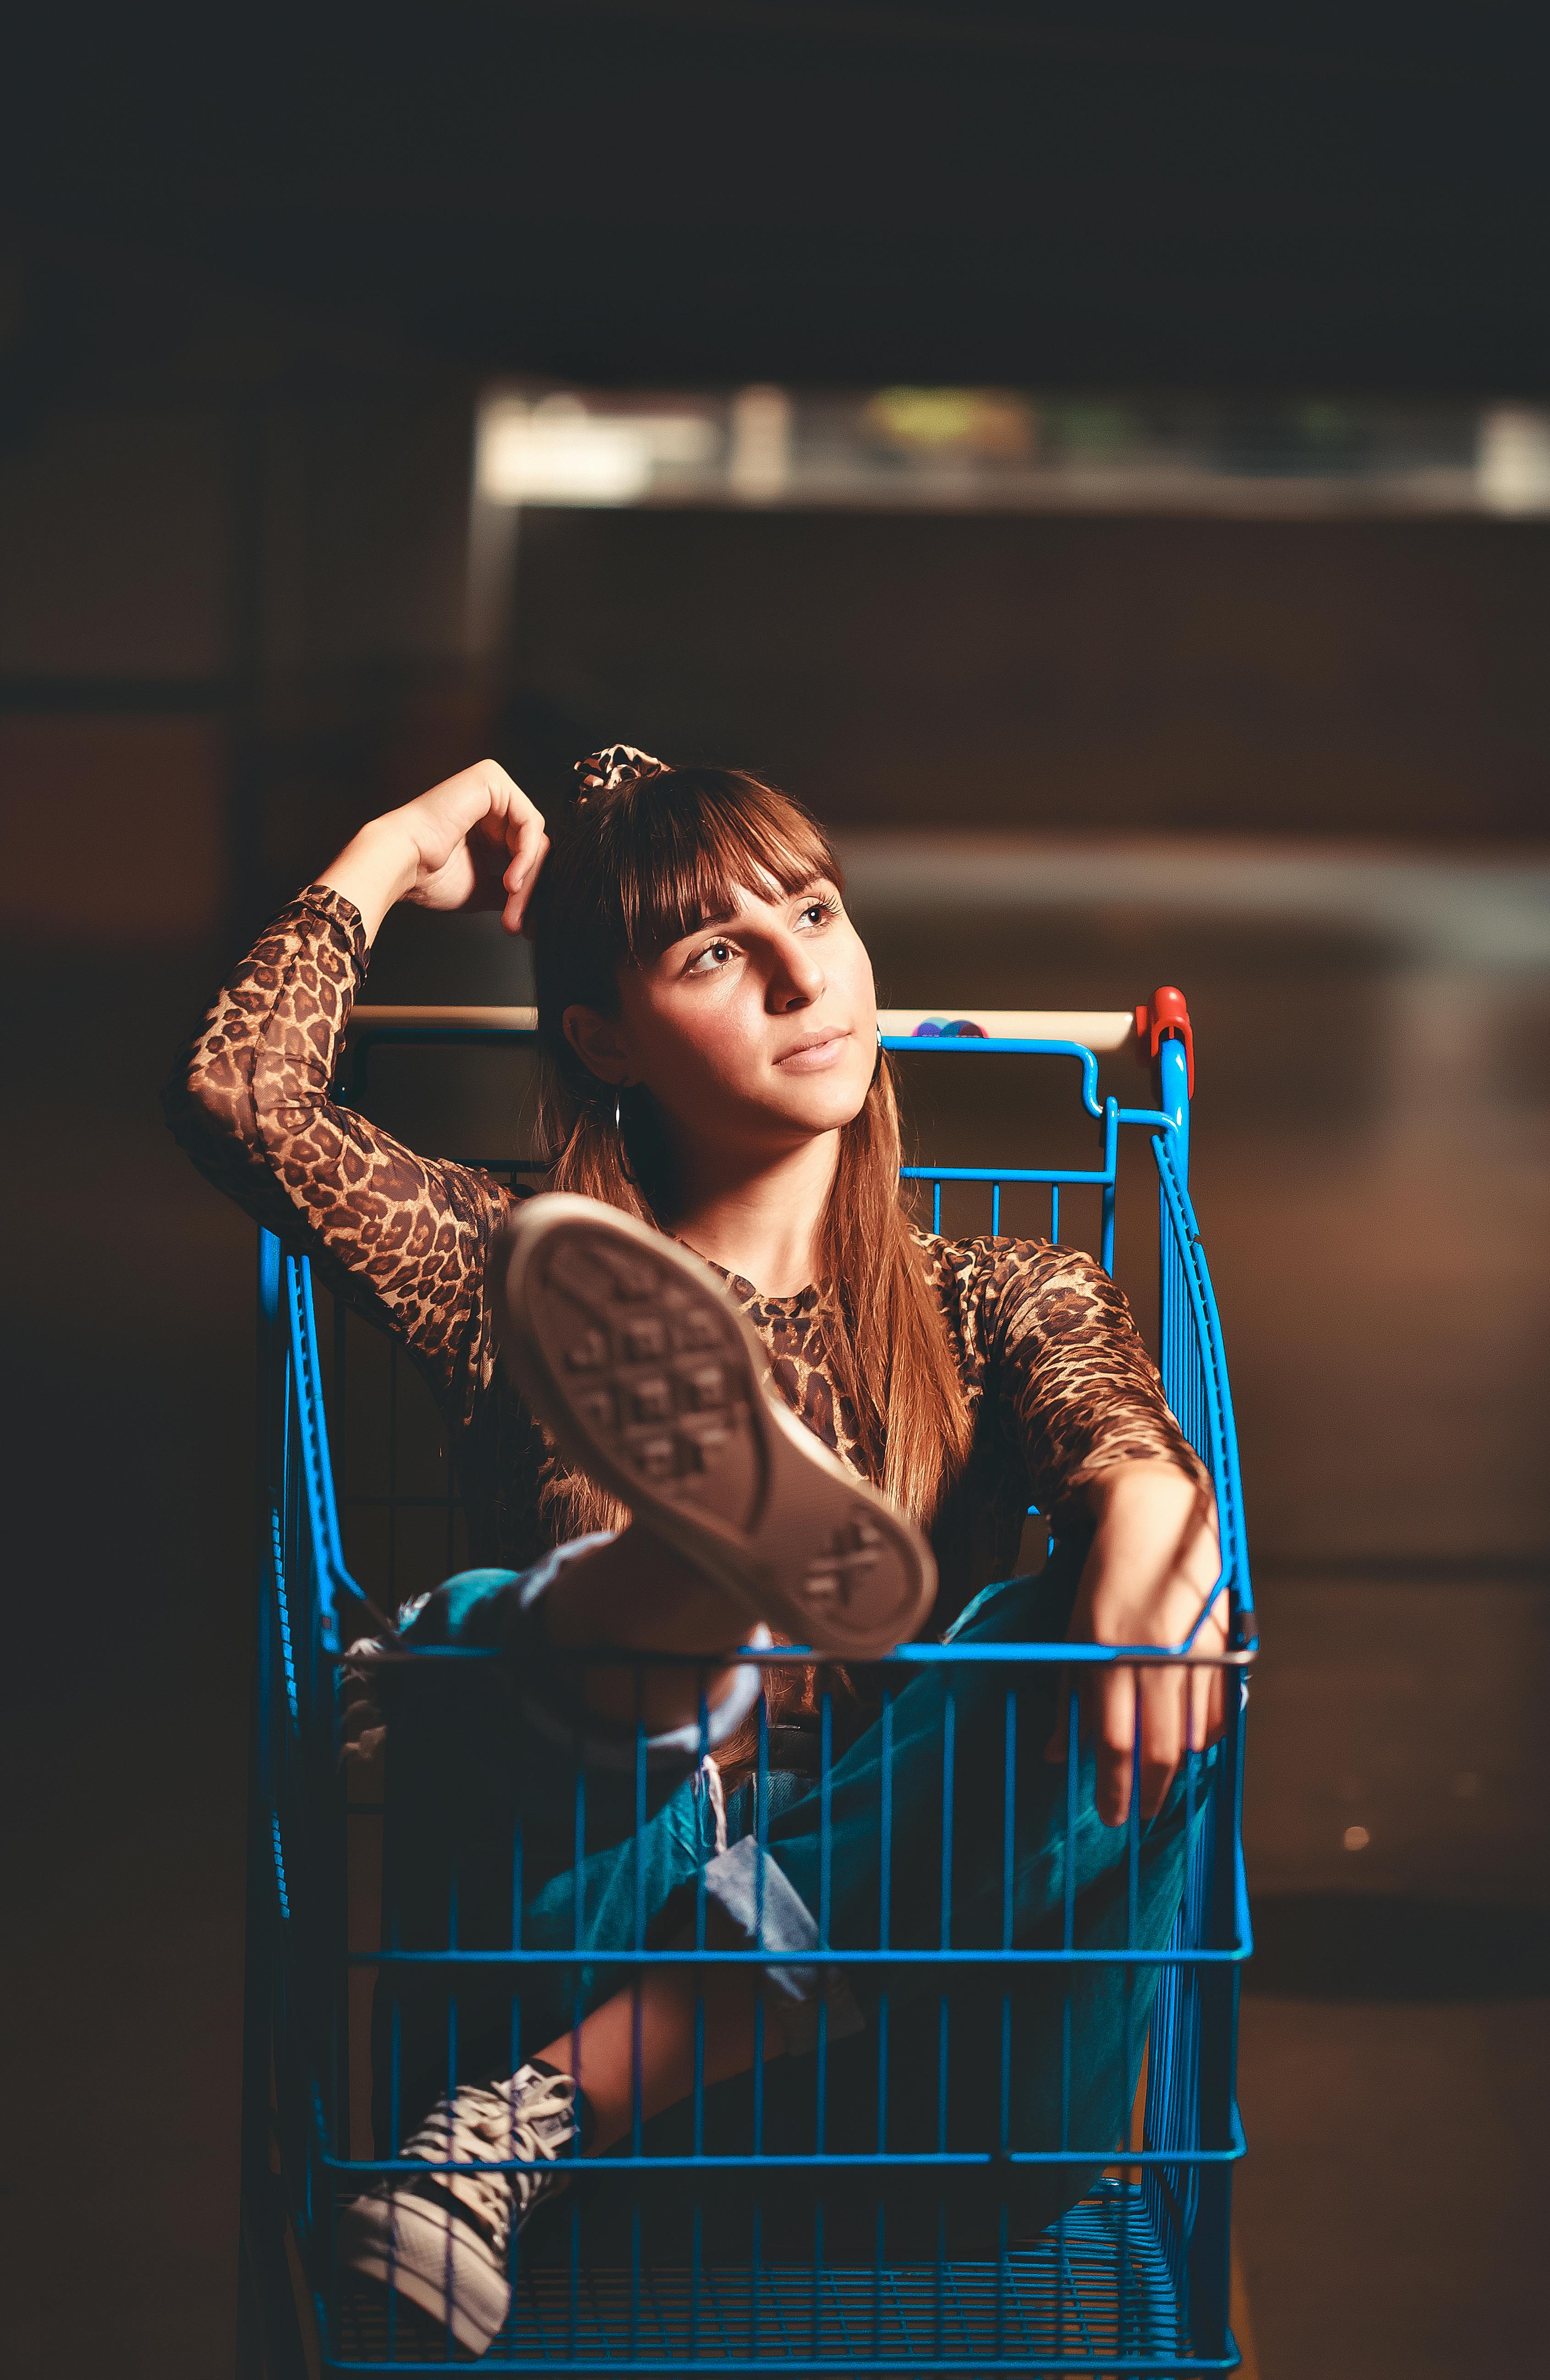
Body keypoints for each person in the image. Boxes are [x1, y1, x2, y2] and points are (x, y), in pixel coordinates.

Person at [166, 747, 1228, 2357]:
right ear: (601, 1034)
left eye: (815, 910)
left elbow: (1122, 1440)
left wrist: (1156, 1526)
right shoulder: (516, 1268)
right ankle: (689, 1585)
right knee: (483, 1637)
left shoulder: (996, 1295)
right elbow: (240, 1098)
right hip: (621, 1936)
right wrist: (403, 843)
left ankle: (564, 2050)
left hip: (925, 2078)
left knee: (1076, 1623)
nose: (809, 971)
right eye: (715, 950)